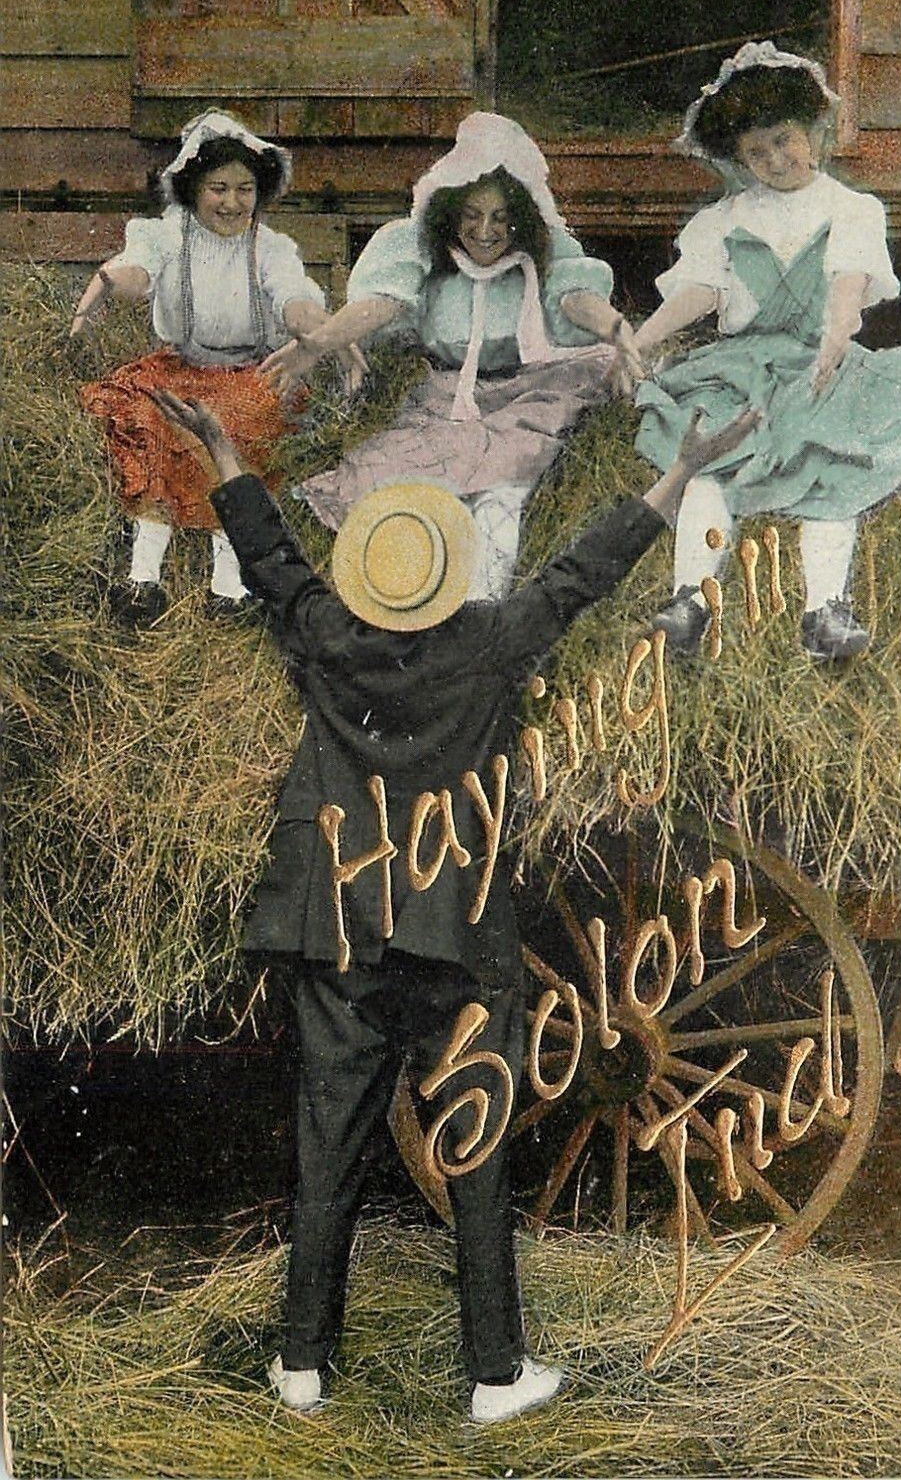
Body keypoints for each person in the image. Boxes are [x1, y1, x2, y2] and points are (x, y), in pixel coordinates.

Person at [149, 384, 757, 1424]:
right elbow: (579, 578)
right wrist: (677, 474)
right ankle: (492, 1375)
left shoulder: (323, 638)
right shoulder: (488, 642)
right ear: (444, 577)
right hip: (452, 935)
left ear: (368, 580)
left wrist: (219, 450)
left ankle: (300, 1370)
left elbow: (272, 558)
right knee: (472, 1152)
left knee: (326, 1143)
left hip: (333, 927)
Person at [632, 41, 901, 661]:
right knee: (710, 458)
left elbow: (847, 280)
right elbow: (701, 290)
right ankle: (689, 598)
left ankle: (824, 610)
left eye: (784, 140)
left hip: (819, 359)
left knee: (831, 464)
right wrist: (641, 337)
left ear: (811, 132)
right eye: (756, 152)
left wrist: (837, 338)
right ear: (738, 160)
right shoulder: (725, 219)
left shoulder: (850, 209)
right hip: (744, 364)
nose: (775, 159)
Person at [261, 111, 645, 600]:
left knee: (502, 494)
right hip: (444, 397)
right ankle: (413, 609)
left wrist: (613, 326)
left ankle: (482, 610)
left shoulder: (544, 258)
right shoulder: (423, 251)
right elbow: (384, 302)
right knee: (414, 491)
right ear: (450, 211)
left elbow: (572, 295)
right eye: (472, 215)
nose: (485, 231)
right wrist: (317, 343)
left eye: (501, 218)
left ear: (522, 219)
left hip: (527, 393)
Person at [73, 111, 328, 624]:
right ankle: (141, 580)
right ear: (192, 188)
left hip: (248, 376)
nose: (232, 203)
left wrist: (318, 327)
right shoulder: (169, 236)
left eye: (245, 189)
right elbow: (137, 273)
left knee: (236, 432)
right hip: (181, 369)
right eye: (218, 188)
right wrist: (108, 282)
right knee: (149, 423)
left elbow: (293, 298)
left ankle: (228, 588)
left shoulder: (271, 248)